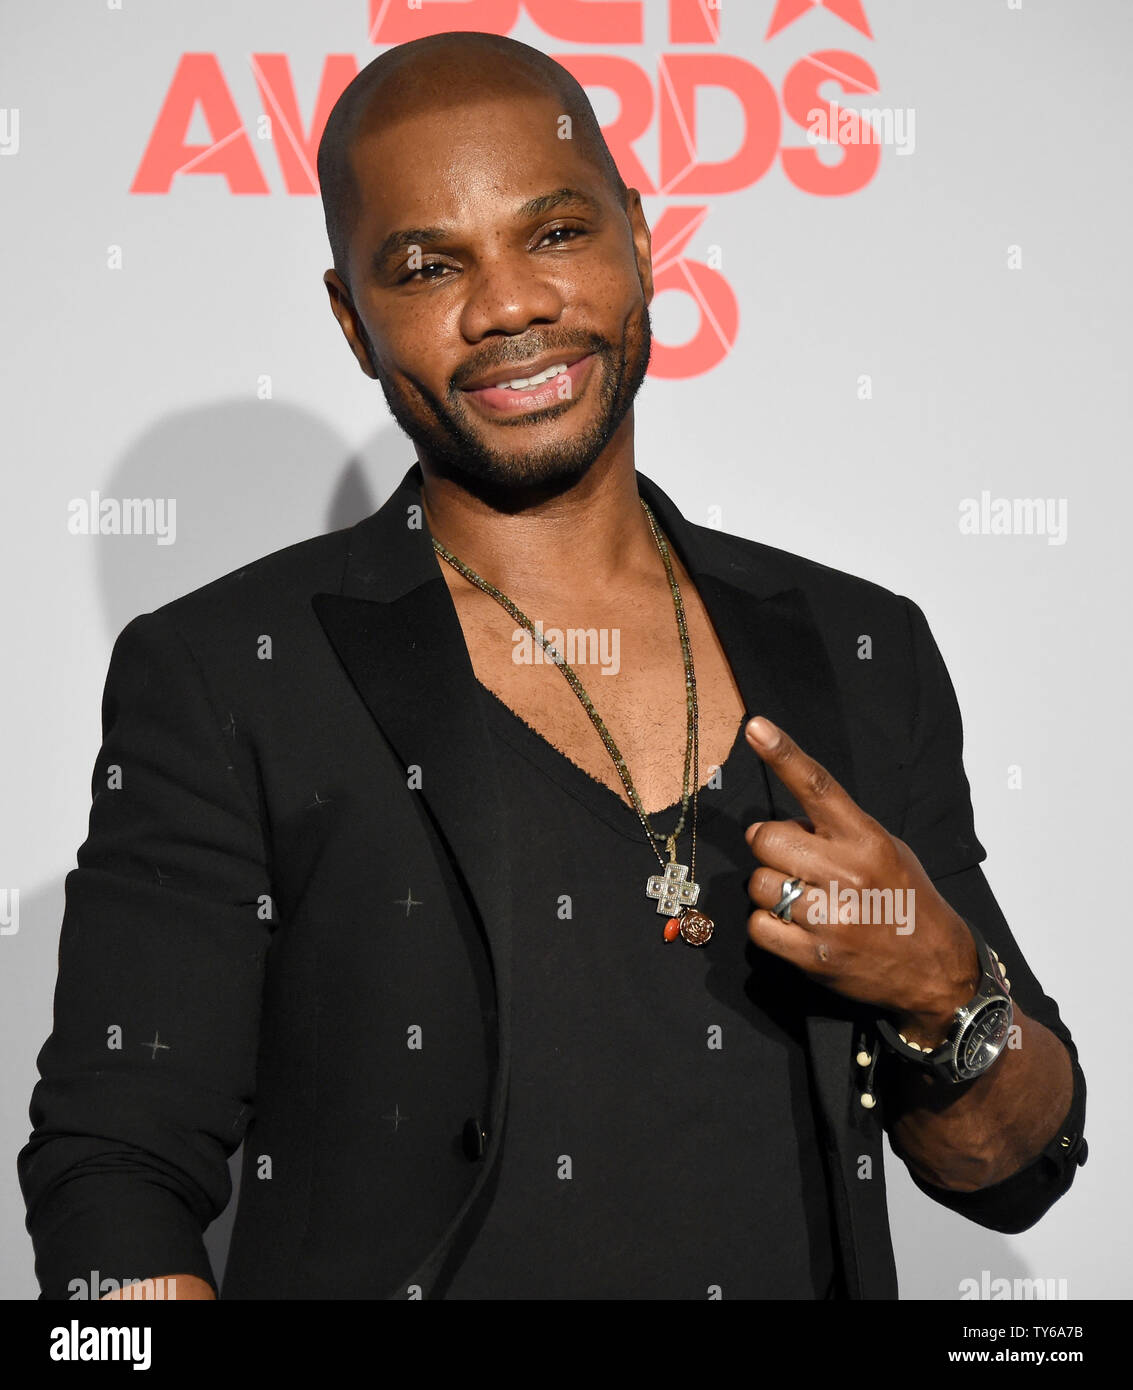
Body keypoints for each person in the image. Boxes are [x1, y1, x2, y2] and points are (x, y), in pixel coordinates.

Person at [18, 30, 1086, 1301]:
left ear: (641, 240)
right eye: (426, 265)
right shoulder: (225, 674)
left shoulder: (858, 645)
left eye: (557, 233)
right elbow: (112, 1178)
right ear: (349, 319)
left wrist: (943, 986)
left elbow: (1009, 1163)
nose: (510, 306)